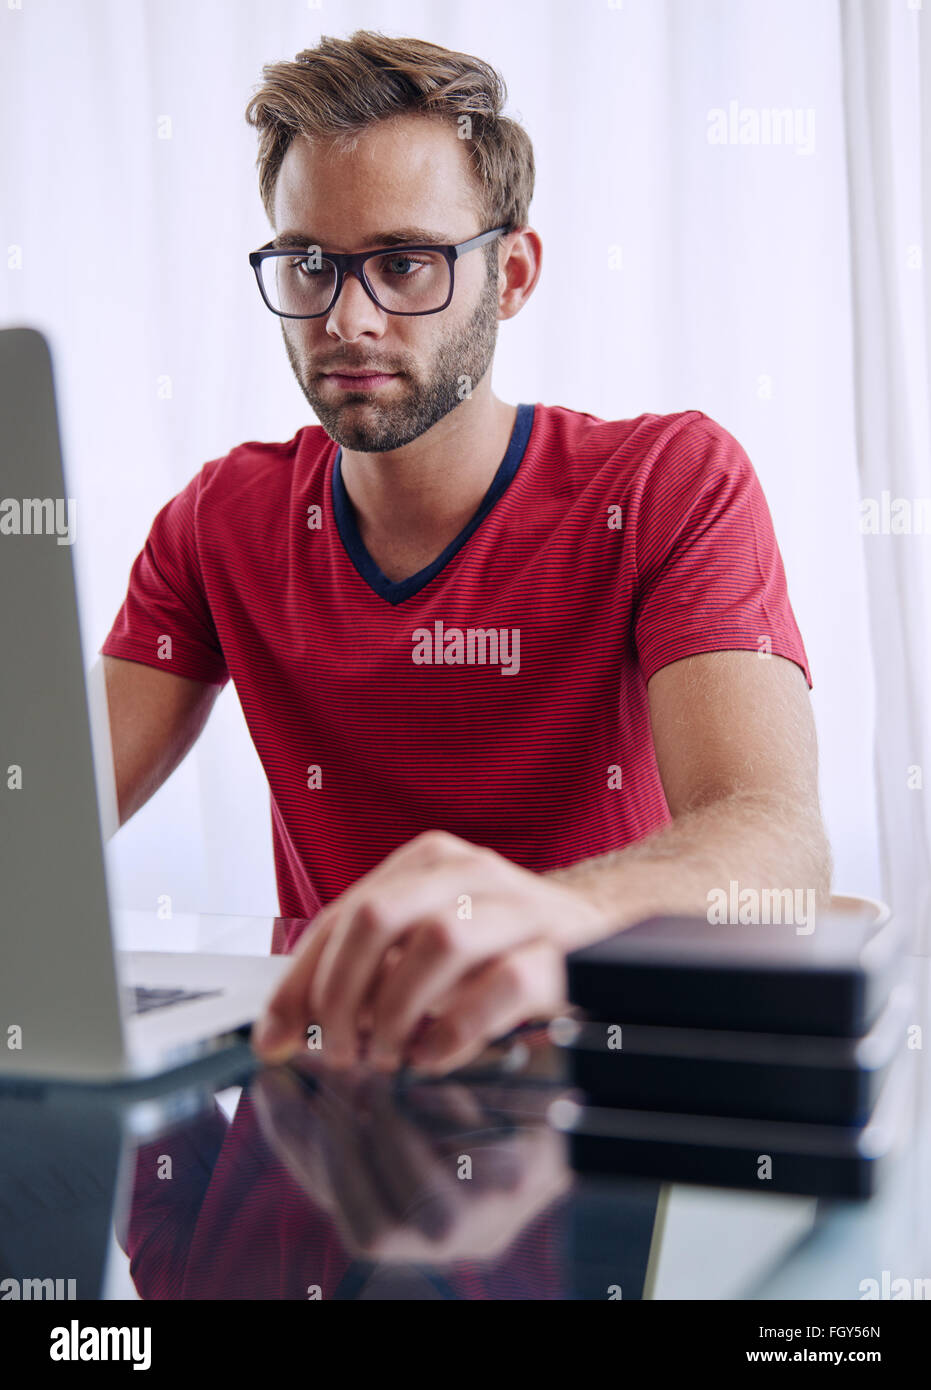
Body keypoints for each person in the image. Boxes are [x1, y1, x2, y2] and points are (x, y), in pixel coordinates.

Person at [99, 30, 832, 1077]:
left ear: (514, 274)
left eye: (404, 264)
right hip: (329, 1104)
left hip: (592, 1096)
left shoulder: (668, 482)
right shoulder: (220, 521)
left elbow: (778, 840)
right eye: (310, 264)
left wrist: (544, 911)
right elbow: (41, 813)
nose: (347, 319)